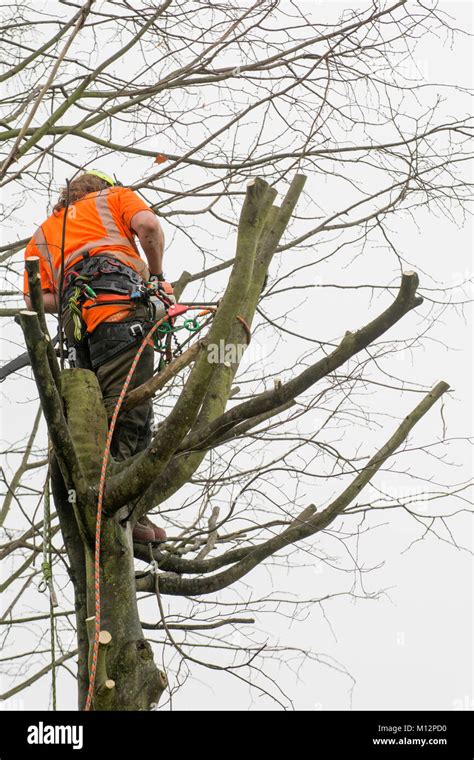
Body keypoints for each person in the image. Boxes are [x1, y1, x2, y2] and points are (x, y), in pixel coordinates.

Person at [23, 169, 169, 544]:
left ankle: (129, 509)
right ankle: (119, 509)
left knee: (104, 414)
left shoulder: (43, 234)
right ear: (102, 187)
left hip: (79, 335)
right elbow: (149, 227)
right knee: (130, 415)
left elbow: (37, 300)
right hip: (121, 314)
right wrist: (155, 277)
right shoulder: (115, 198)